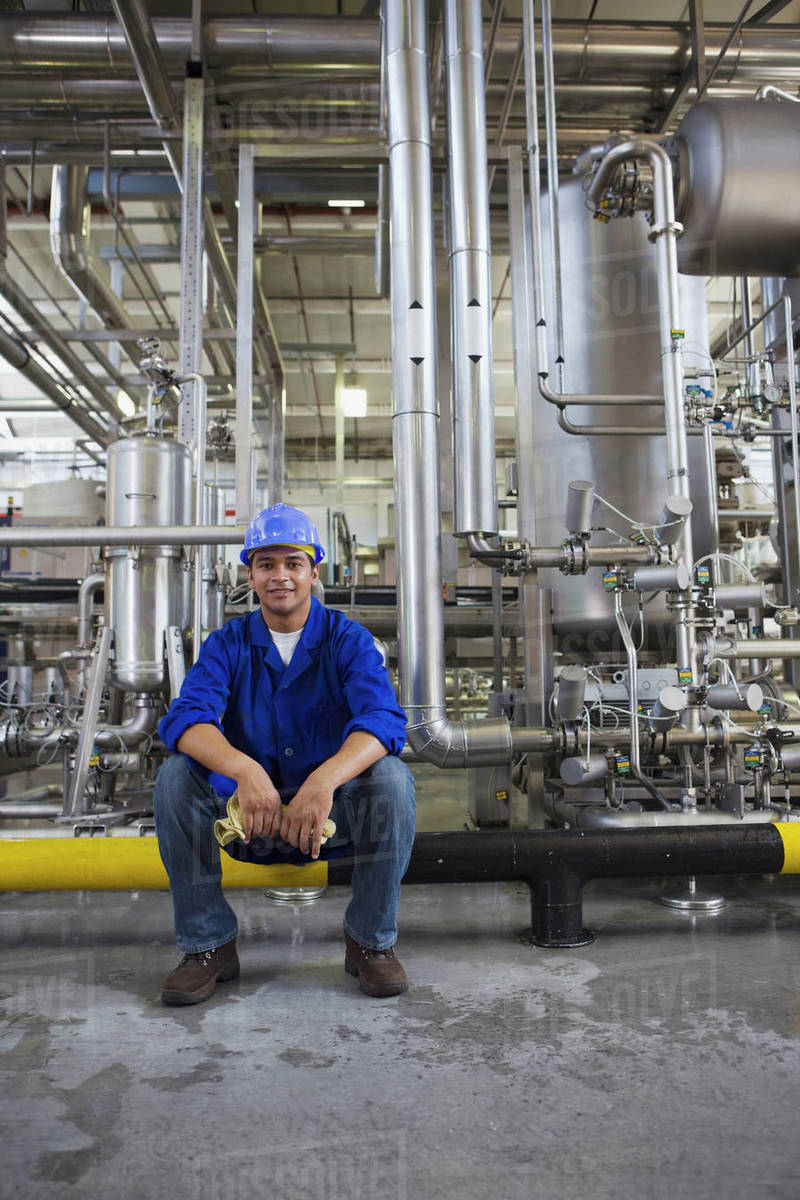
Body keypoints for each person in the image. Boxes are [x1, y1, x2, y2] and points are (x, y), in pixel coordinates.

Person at [153, 502, 416, 1005]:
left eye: (293, 564)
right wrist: (244, 771)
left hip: (329, 817)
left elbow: (383, 723)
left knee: (393, 779)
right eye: (267, 565)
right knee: (172, 779)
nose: (281, 577)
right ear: (249, 574)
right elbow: (185, 720)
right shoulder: (226, 645)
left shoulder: (348, 640)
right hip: (244, 815)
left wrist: (323, 783)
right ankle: (208, 946)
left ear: (313, 572)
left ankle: (369, 943)